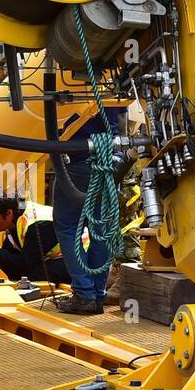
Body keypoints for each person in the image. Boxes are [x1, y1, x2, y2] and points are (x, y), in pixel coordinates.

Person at [51, 112, 121, 315]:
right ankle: (97, 294)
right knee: (102, 230)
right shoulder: (109, 83)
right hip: (108, 163)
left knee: (68, 227)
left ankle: (84, 294)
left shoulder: (65, 82)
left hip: (78, 161)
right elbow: (122, 119)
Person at [0, 197, 70, 285]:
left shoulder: (36, 226)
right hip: (56, 257)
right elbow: (9, 260)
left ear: (9, 213)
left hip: (73, 258)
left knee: (32, 278)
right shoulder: (16, 221)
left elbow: (23, 266)